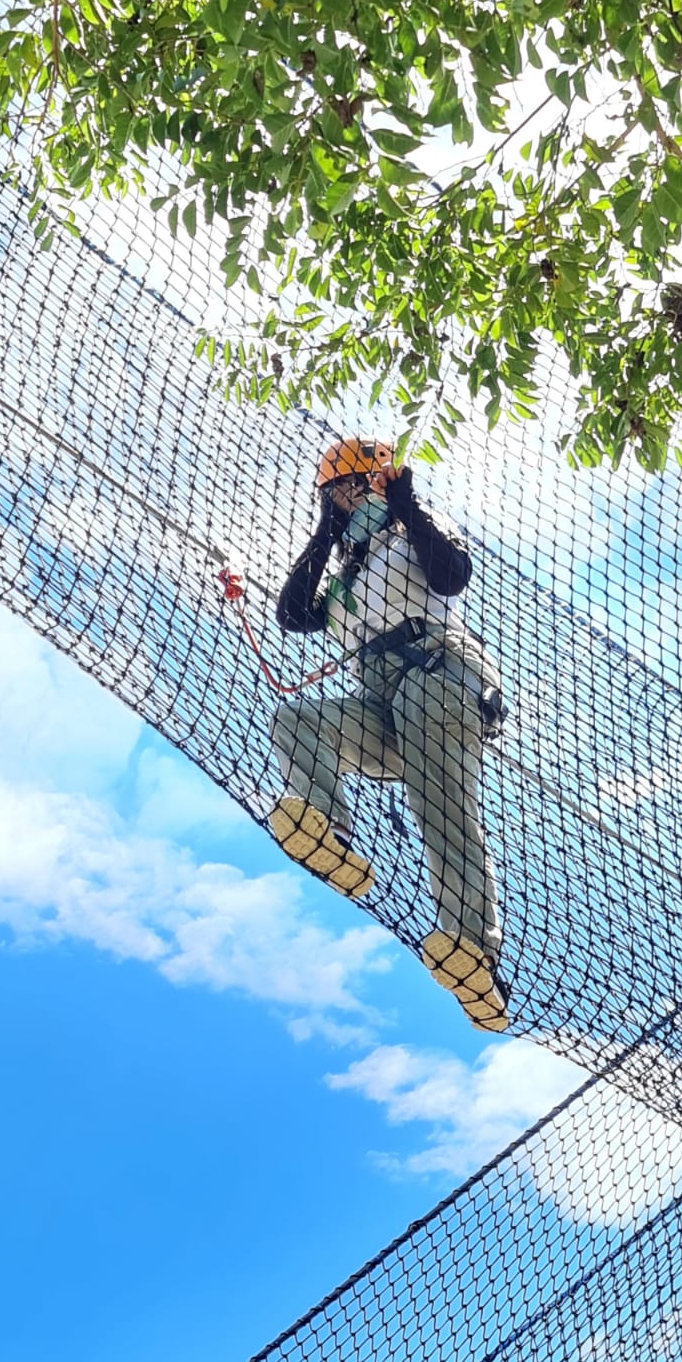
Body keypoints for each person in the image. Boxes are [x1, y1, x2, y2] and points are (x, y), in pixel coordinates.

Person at [269, 438, 509, 1032]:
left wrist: (407, 506)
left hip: (436, 675)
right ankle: (331, 833)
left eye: (352, 487)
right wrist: (324, 536)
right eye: (334, 494)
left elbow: (452, 577)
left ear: (377, 482)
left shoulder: (412, 533)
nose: (345, 501)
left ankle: (472, 947)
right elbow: (292, 615)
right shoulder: (343, 578)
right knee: (295, 722)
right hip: (382, 702)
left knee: (442, 812)